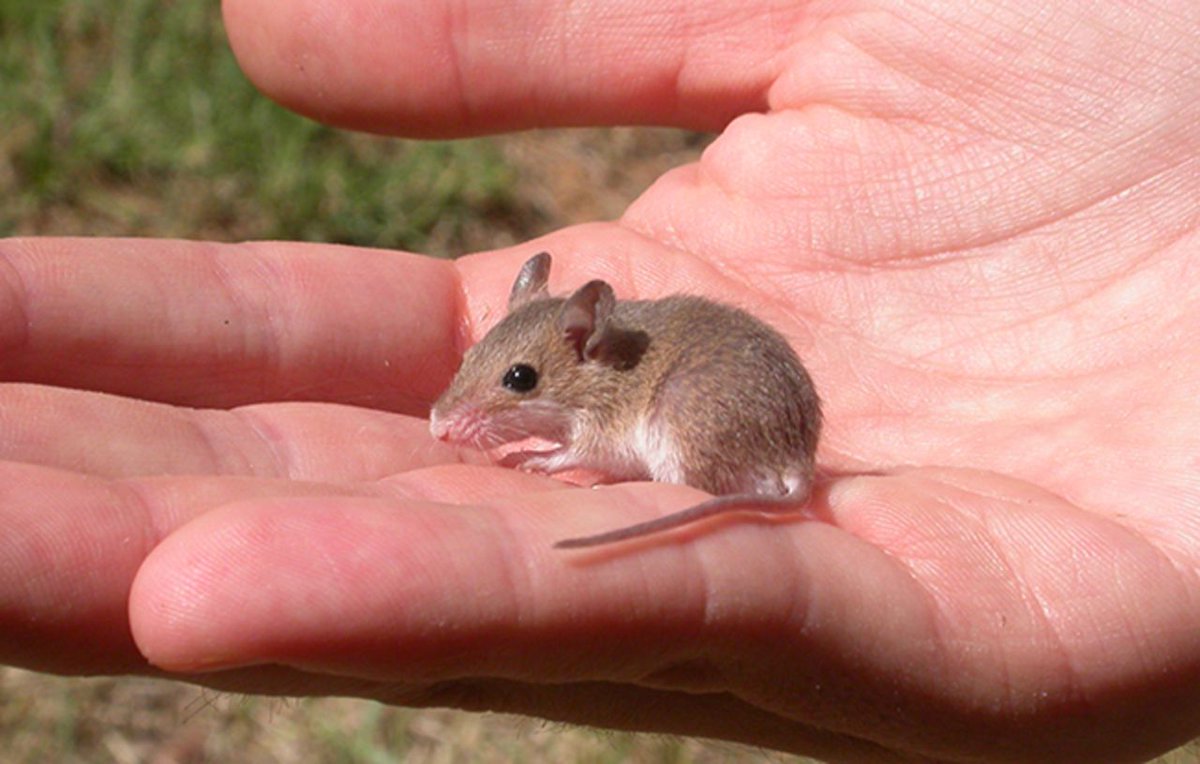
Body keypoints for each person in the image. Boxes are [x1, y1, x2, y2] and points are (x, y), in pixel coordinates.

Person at [2, 1, 1198, 760]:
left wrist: (576, 453)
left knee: (673, 440)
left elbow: (619, 431)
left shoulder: (626, 377)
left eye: (515, 381)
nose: (489, 403)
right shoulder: (587, 350)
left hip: (742, 441)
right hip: (746, 424)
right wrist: (515, 430)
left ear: (586, 340)